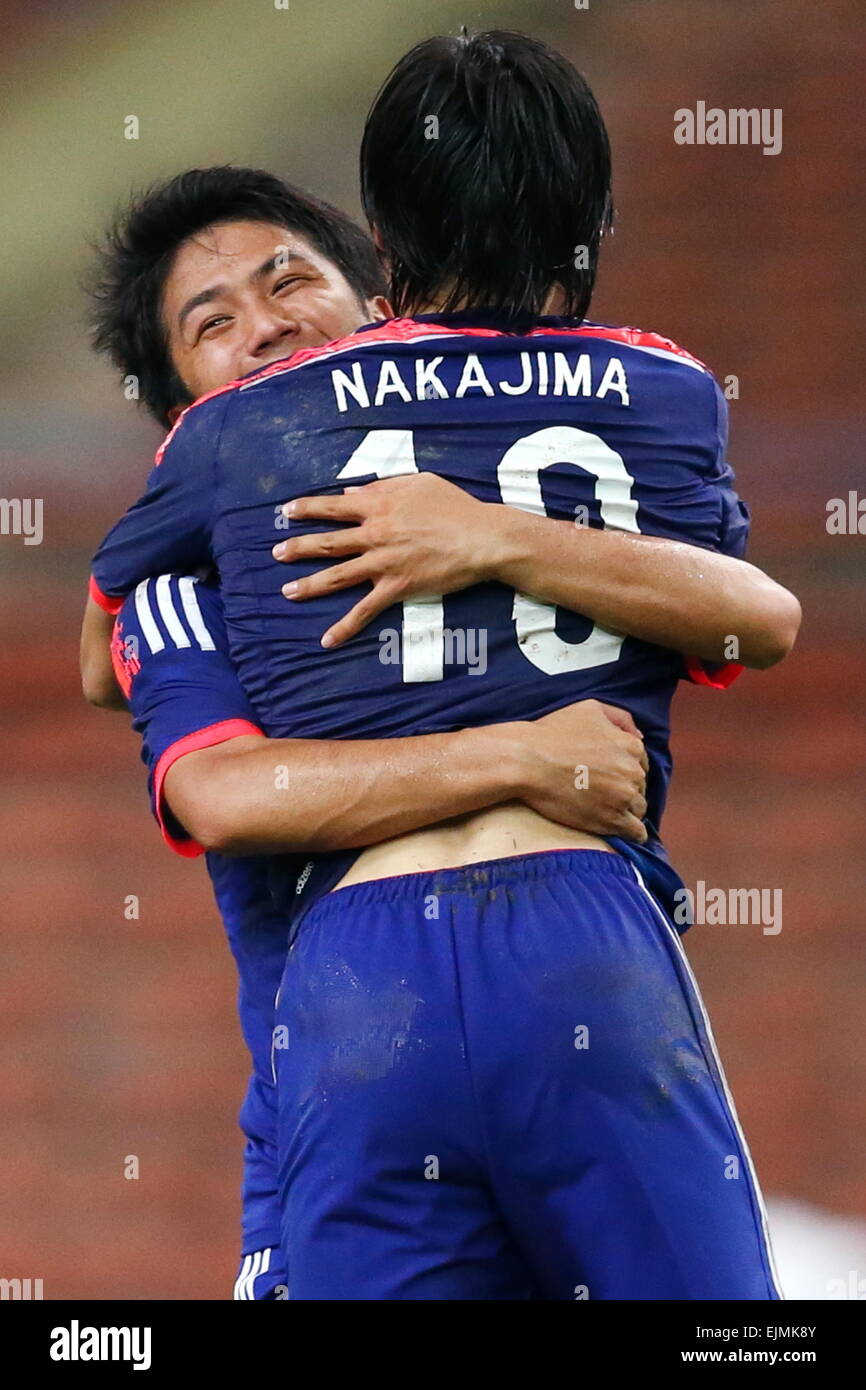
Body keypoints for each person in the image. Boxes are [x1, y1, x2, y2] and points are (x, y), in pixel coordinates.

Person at [84, 29, 800, 1298]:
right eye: (211, 323)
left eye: (287, 280)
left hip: (360, 1012)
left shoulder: (227, 453)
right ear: (171, 402)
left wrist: (482, 531)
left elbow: (761, 612)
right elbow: (215, 790)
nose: (264, 329)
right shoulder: (658, 388)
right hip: (565, 963)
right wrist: (520, 756)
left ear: (379, 272)